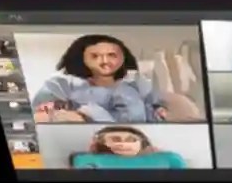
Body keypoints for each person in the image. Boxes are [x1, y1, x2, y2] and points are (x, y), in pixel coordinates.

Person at [31, 34, 168, 123]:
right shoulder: (61, 83)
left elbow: (157, 109)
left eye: (112, 55)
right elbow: (38, 117)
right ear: (80, 58)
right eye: (95, 56)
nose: (105, 61)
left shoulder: (137, 82)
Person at [70, 126, 186, 169]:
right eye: (115, 139)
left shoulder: (169, 159)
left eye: (131, 139)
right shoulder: (85, 160)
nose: (124, 143)